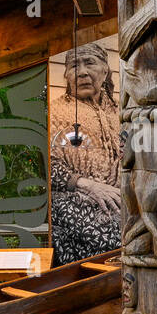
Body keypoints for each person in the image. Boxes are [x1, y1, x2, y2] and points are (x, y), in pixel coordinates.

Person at [50, 43, 122, 265]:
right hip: (73, 201)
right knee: (114, 237)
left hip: (122, 199)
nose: (81, 71)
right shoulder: (55, 111)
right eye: (74, 66)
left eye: (89, 62)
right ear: (66, 75)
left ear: (105, 70)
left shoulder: (121, 112)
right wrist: (88, 185)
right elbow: (43, 164)